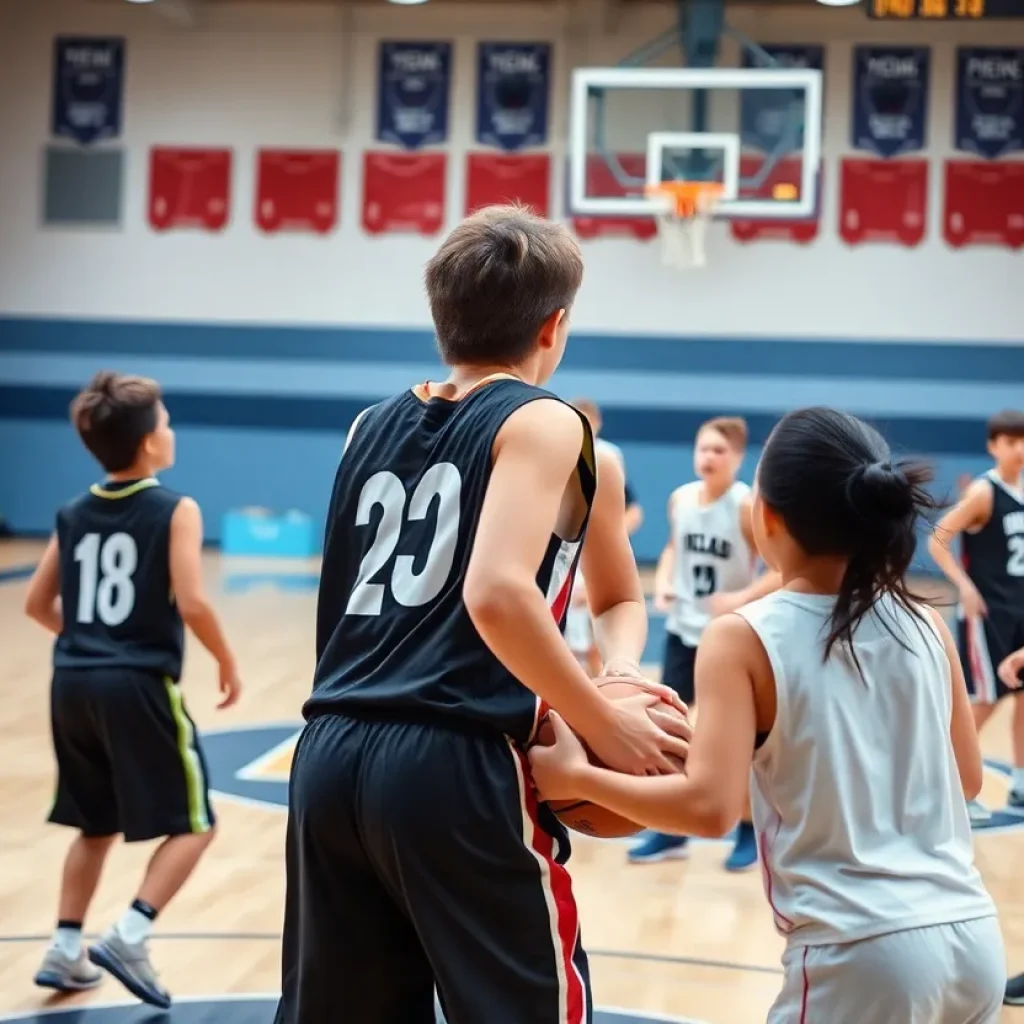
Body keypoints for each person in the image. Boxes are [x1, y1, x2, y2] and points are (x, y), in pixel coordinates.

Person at [273, 205, 690, 1024]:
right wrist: (601, 722)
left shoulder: (367, 425)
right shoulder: (547, 422)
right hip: (452, 764)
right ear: (555, 324)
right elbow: (497, 594)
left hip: (327, 757)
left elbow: (617, 599)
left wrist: (623, 670)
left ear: (441, 316)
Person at [531, 406, 1005, 1023]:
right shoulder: (927, 623)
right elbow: (964, 780)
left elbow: (709, 807)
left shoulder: (742, 636)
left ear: (767, 517)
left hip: (860, 952)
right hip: (973, 939)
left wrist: (576, 780)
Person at [23, 372, 241, 1009]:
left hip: (72, 684)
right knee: (197, 823)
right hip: (136, 683)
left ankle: (65, 948)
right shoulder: (175, 507)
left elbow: (39, 604)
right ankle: (131, 932)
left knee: (94, 824)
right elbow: (194, 600)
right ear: (149, 443)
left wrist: (91, 639)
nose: (171, 431)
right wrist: (227, 660)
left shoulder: (71, 512)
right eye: (166, 422)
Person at [629, 416, 779, 872]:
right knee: (669, 729)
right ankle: (670, 830)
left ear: (737, 458)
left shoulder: (745, 505)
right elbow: (674, 547)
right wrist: (665, 581)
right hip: (683, 630)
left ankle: (750, 832)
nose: (709, 457)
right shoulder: (681, 498)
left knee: (742, 741)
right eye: (703, 448)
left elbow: (779, 569)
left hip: (731, 638)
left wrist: (738, 598)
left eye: (719, 450)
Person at [927, 409, 1024, 825]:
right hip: (989, 613)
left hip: (1020, 607)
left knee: (1022, 697)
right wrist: (963, 587)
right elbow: (937, 539)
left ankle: (1019, 783)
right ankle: (946, 784)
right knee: (983, 699)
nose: (1019, 449)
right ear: (993, 446)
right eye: (1010, 441)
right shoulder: (985, 493)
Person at [564, 398, 644, 678]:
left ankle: (605, 679)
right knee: (570, 629)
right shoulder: (556, 453)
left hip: (593, 550)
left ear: (597, 424)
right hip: (567, 550)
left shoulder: (606, 458)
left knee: (600, 619)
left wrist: (610, 534)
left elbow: (634, 511)